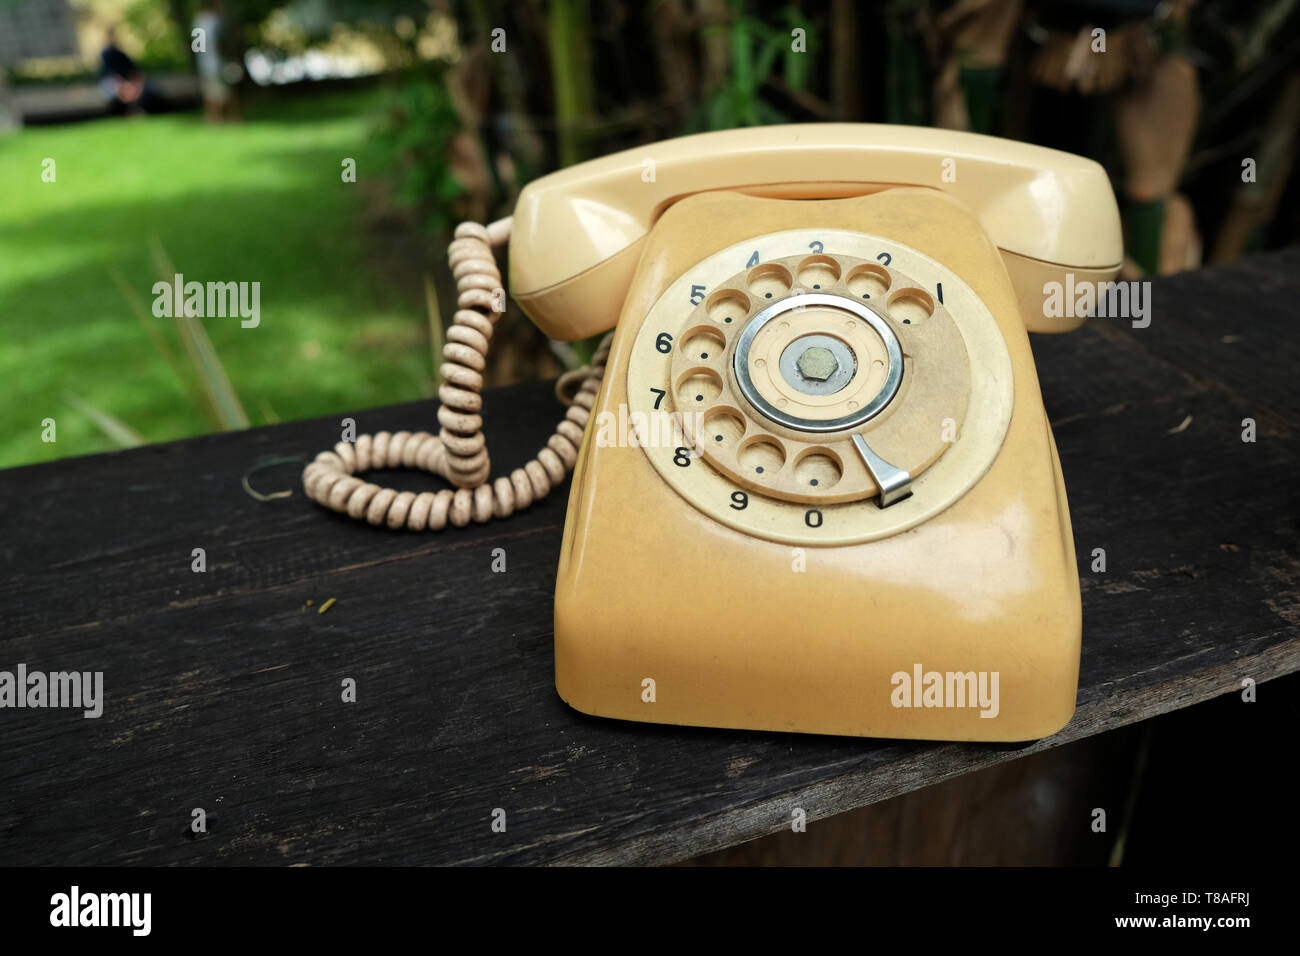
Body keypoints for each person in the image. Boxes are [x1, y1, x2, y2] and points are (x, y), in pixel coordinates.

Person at [98, 27, 159, 115]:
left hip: (129, 82)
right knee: (122, 89)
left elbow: (135, 71)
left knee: (140, 88)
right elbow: (111, 74)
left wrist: (136, 83)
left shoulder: (122, 54)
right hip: (113, 83)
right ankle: (129, 111)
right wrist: (124, 85)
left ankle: (137, 109)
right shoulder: (106, 55)